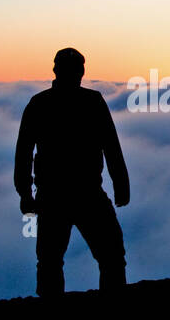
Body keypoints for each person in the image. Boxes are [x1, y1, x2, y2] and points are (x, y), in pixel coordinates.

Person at [14, 48, 129, 296]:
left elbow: (23, 153)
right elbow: (111, 146)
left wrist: (25, 194)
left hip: (56, 197)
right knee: (109, 256)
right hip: (84, 194)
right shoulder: (91, 101)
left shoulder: (40, 104)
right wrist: (121, 186)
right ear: (81, 71)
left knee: (51, 262)